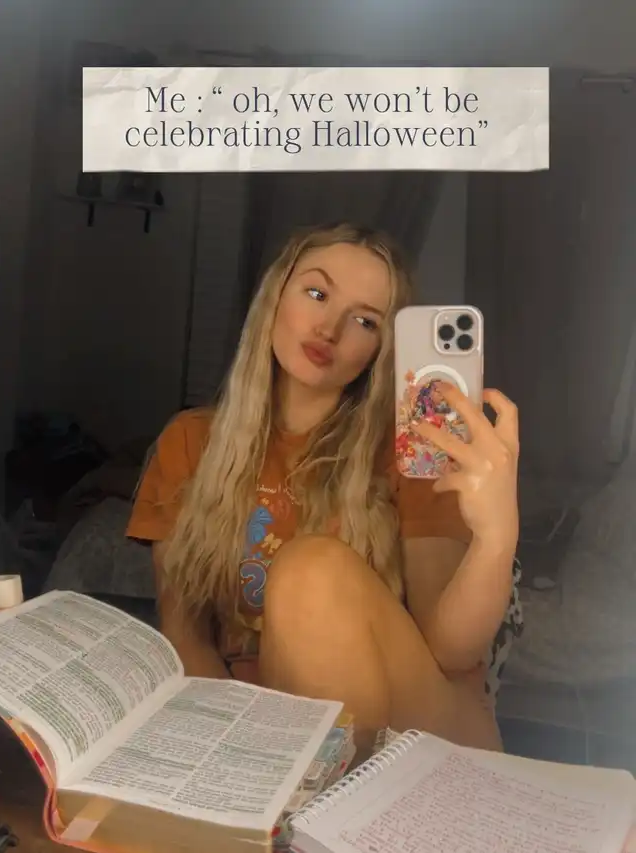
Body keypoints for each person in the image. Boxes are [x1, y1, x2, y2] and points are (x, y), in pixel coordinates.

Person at [127, 222, 520, 756]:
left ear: (379, 351)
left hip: (420, 736)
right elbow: (186, 637)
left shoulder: (414, 454)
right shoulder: (190, 443)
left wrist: (497, 536)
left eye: (364, 321)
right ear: (275, 297)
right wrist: (233, 756)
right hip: (274, 732)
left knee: (310, 570)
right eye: (316, 293)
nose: (329, 329)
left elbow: (450, 654)